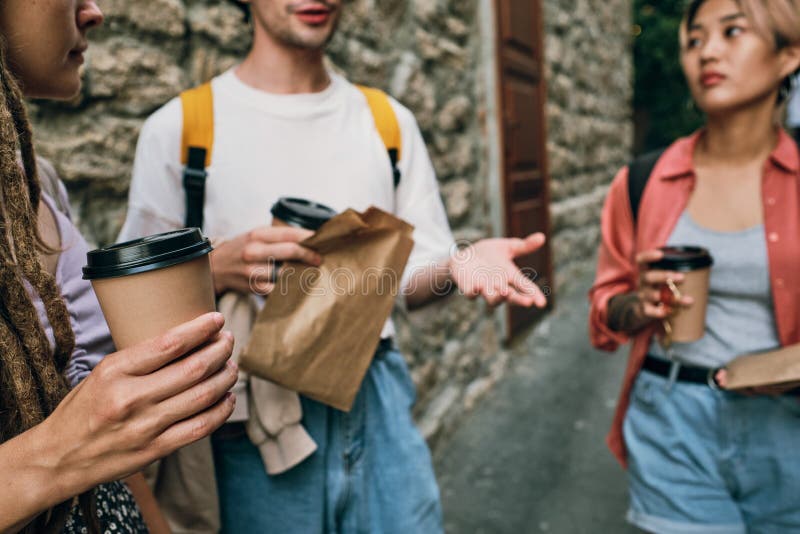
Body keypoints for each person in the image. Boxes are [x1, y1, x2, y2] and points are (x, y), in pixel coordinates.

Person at [119, 0, 548, 532]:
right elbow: (131, 305)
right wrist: (215, 269)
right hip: (248, 409)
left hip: (376, 390)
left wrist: (460, 263)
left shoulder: (388, 122)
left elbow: (411, 282)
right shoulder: (181, 129)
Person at [0, 1, 238, 532]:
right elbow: (86, 438)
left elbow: (106, 444)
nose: (95, 12)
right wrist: (61, 452)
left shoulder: (37, 181)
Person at [590, 0, 800, 532]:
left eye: (733, 32)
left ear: (789, 55)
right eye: (693, 39)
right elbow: (604, 311)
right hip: (671, 418)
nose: (707, 51)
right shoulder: (640, 181)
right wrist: (634, 304)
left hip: (787, 427)